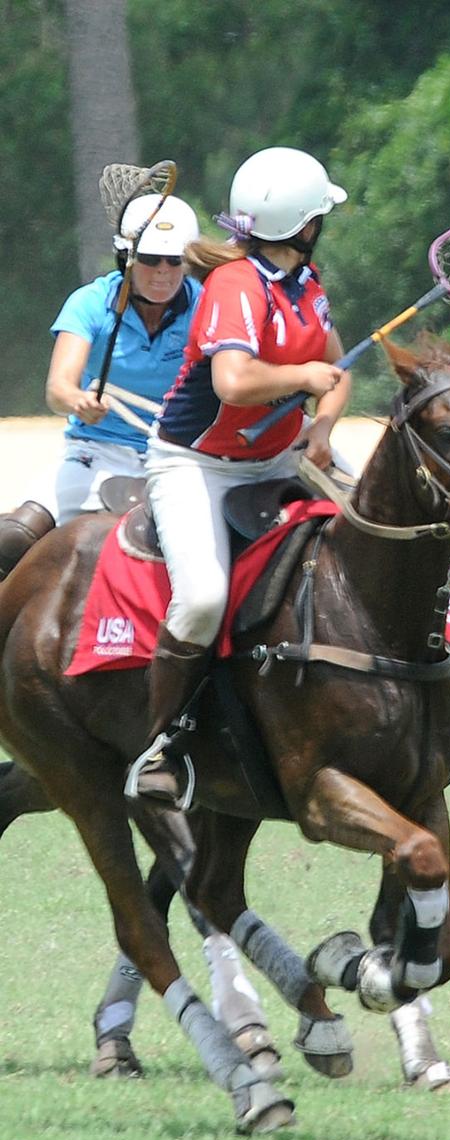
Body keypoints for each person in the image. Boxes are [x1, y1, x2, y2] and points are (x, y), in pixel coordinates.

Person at [124, 146, 352, 804]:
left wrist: (324, 425)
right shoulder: (235, 286)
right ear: (304, 225)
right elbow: (233, 380)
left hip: (280, 459)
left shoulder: (308, 288)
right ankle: (161, 742)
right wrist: (304, 379)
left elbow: (338, 369)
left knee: (380, 527)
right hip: (195, 465)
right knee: (201, 599)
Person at [0, 193, 201, 579]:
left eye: (174, 260)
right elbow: (58, 387)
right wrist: (79, 401)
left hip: (179, 459)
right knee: (15, 535)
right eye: (150, 259)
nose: (163, 271)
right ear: (127, 257)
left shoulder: (205, 306)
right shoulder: (90, 303)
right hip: (97, 453)